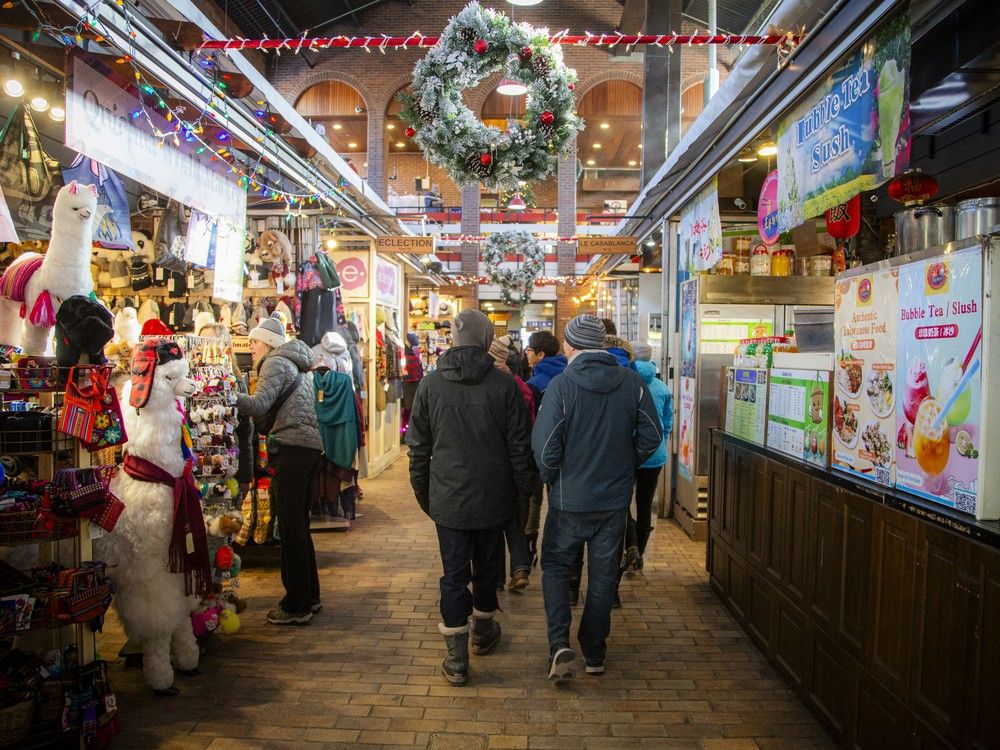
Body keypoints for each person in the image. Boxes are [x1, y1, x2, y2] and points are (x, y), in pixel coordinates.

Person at [406, 310, 535, 685]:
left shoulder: (431, 385)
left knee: (453, 573)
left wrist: (424, 493)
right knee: (488, 565)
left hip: (448, 497)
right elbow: (518, 447)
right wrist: (523, 492)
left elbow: (417, 447)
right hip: (495, 496)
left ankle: (457, 658)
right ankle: (482, 630)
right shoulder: (504, 386)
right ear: (485, 338)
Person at [532, 314, 661, 681]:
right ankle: (594, 652)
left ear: (571, 346)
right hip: (614, 503)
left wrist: (553, 479)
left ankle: (559, 644)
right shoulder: (632, 383)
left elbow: (544, 450)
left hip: (568, 500)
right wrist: (624, 465)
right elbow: (651, 437)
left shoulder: (561, 385)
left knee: (556, 567)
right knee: (604, 576)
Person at [235, 313, 323, 625]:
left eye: (255, 341)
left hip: (291, 449)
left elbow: (259, 405)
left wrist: (229, 396)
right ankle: (309, 596)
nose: (251, 347)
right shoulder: (297, 364)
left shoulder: (275, 363)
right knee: (299, 525)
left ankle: (296, 604)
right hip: (308, 448)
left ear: (269, 343)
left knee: (290, 528)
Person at [488, 335, 536, 592]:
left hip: (495, 461)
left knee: (494, 523)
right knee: (515, 519)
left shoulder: (490, 384)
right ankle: (519, 567)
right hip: (516, 460)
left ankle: (495, 576)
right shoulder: (518, 383)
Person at [624, 342, 673, 571]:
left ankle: (630, 542)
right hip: (654, 455)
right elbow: (667, 423)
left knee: (622, 502)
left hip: (628, 452)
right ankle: (639, 555)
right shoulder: (662, 388)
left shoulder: (625, 384)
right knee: (645, 504)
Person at [524, 330, 567, 403]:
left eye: (528, 350)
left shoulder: (533, 385)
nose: (526, 353)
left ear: (540, 355)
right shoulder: (568, 372)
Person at [401, 332, 423, 439]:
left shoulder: (415, 352)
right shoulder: (406, 352)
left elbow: (420, 370)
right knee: (407, 410)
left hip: (413, 384)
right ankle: (405, 432)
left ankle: (408, 432)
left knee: (410, 410)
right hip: (407, 384)